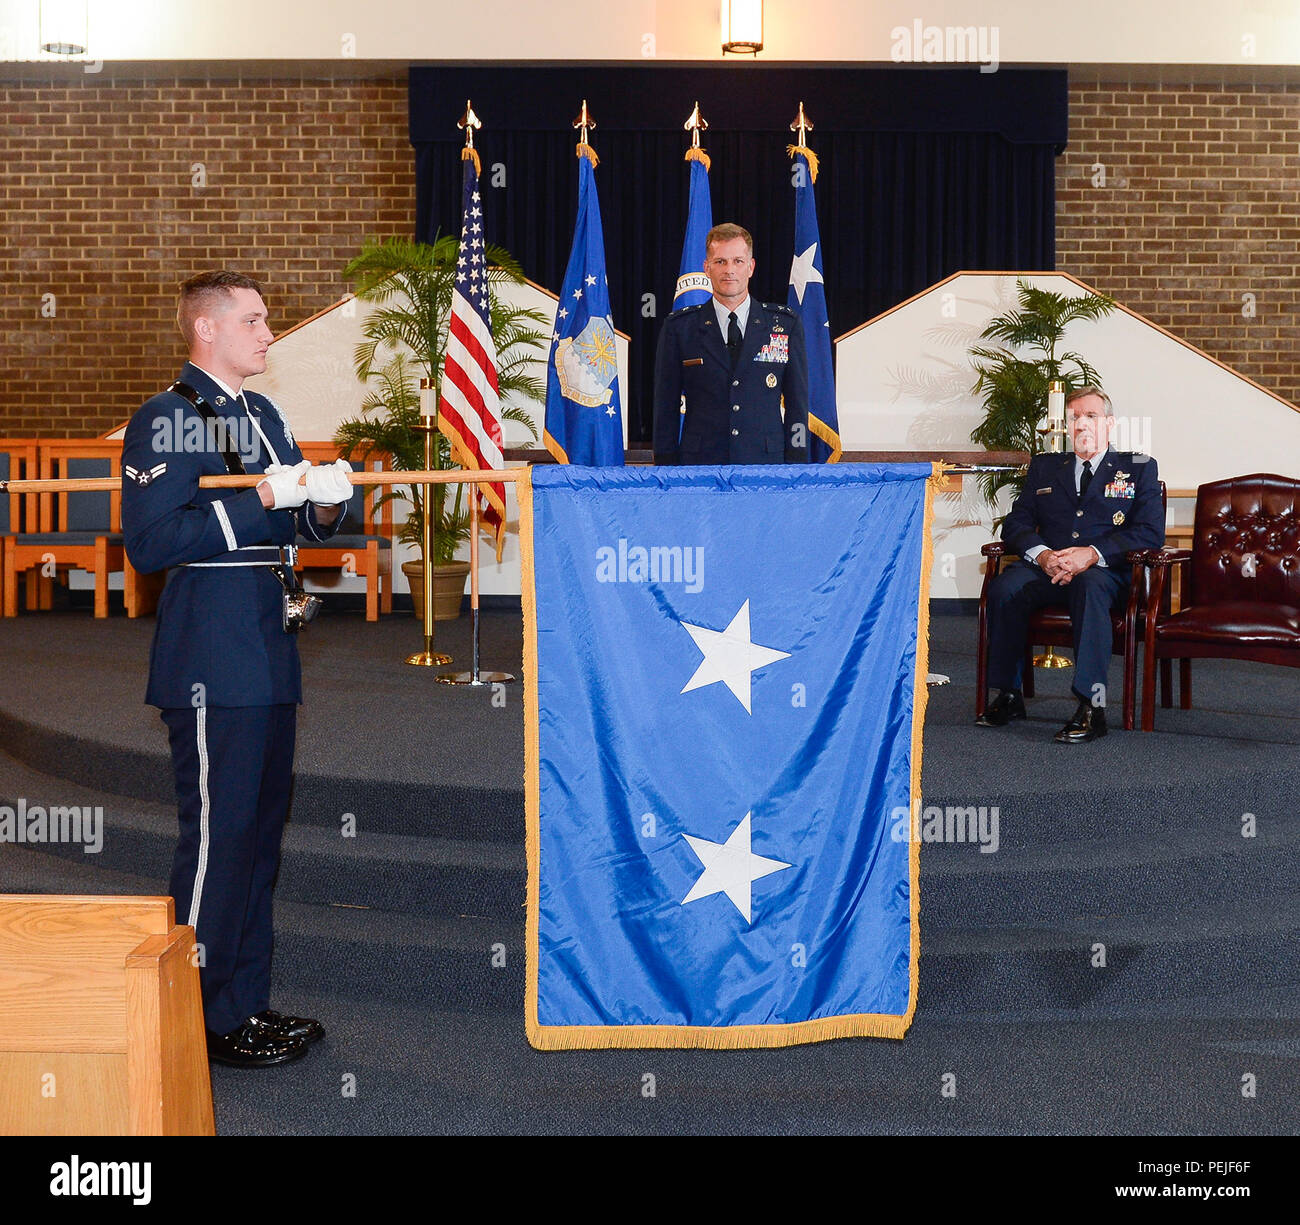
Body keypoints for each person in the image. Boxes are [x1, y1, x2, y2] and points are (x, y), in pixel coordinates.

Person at [121, 271, 354, 1067]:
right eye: (254, 321)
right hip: (211, 655)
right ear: (207, 330)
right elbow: (152, 543)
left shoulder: (263, 414)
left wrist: (322, 502)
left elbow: (304, 527)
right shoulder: (166, 419)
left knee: (257, 839)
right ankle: (189, 1014)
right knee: (218, 842)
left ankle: (241, 1005)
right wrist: (262, 495)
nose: (267, 333)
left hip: (269, 644)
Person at [977, 386, 1164, 743]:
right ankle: (1009, 695)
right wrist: (1044, 555)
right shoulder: (1046, 467)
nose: (1082, 424)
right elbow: (1015, 524)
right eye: (1075, 417)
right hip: (1047, 568)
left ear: (1109, 424)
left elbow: (1149, 532)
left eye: (1090, 416)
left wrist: (1091, 554)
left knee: (1089, 585)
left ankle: (1092, 707)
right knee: (1005, 587)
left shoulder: (1138, 467)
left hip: (1105, 574)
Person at [652, 223, 809, 465]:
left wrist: (796, 467)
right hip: (701, 466)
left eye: (737, 261)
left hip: (766, 465)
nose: (729, 270)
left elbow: (797, 405)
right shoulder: (680, 328)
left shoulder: (785, 325)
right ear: (707, 268)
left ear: (751, 267)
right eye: (720, 262)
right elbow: (665, 407)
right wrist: (667, 470)